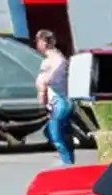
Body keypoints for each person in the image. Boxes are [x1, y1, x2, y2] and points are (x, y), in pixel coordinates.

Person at [34, 30, 73, 166]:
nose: (36, 44)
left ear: (44, 42)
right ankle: (67, 159)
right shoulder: (58, 57)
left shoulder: (51, 60)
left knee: (56, 135)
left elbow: (47, 80)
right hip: (60, 101)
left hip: (59, 102)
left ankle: (66, 163)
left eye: (38, 41)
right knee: (57, 132)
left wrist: (42, 95)